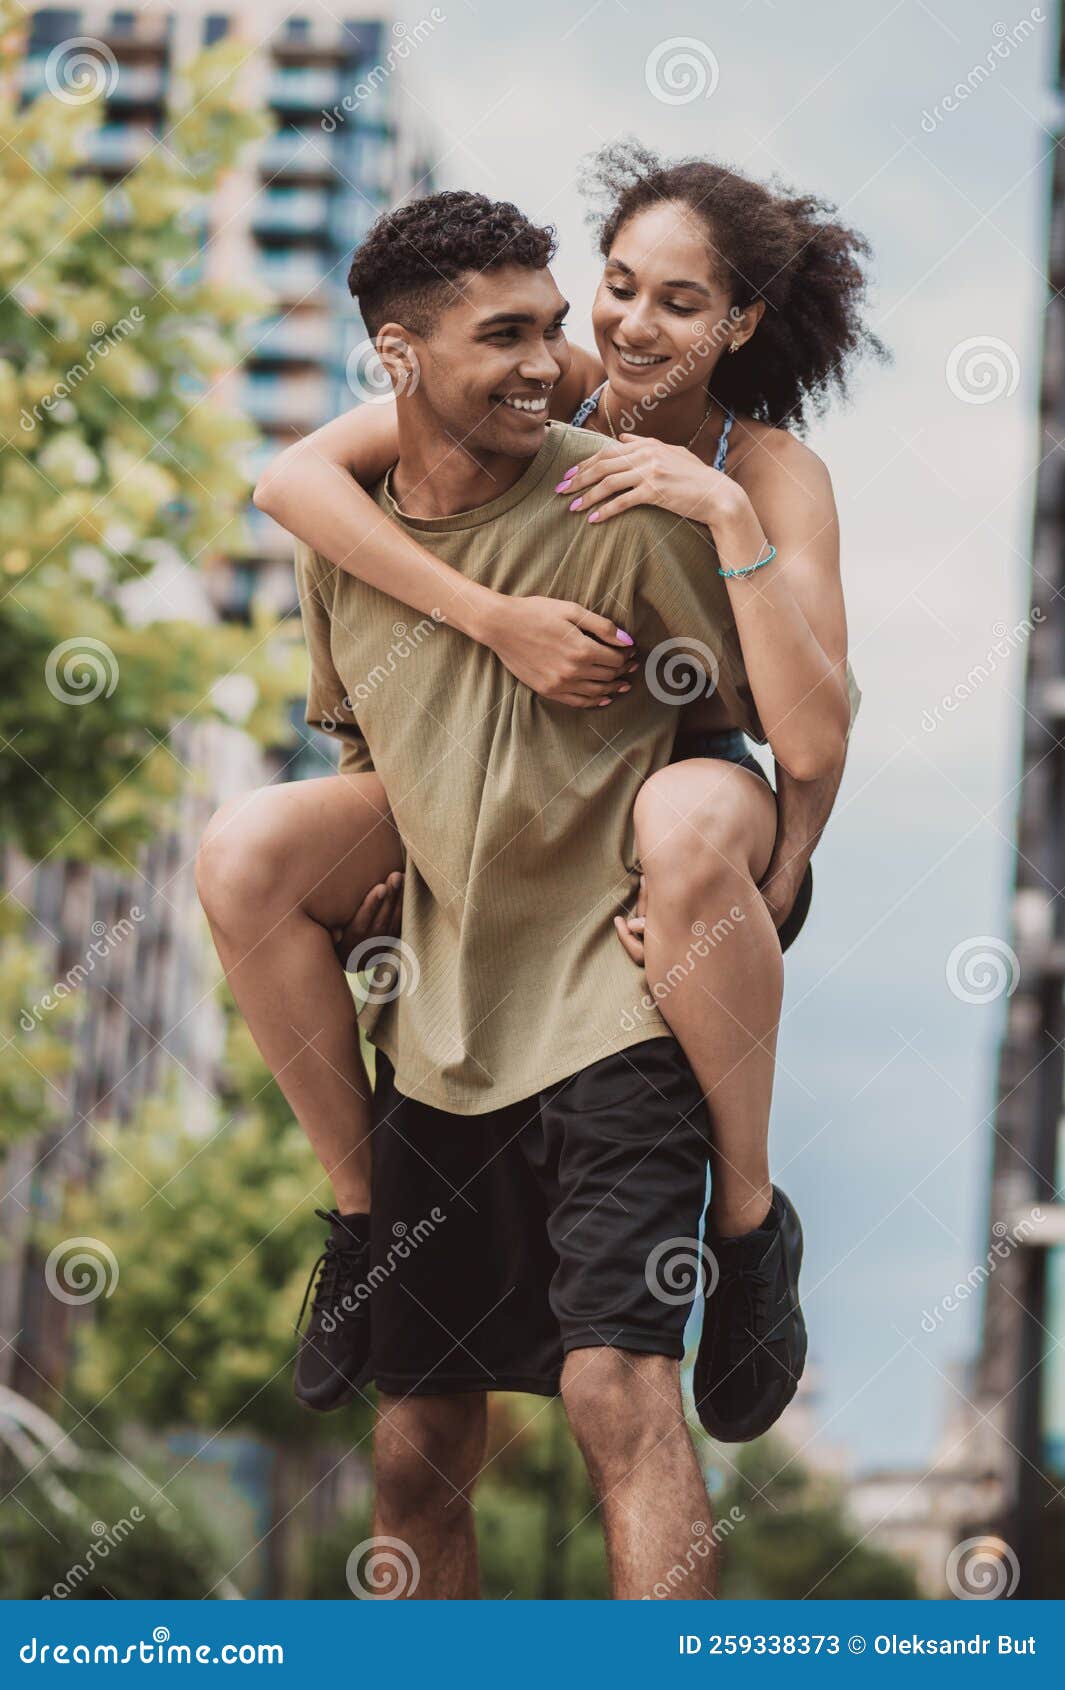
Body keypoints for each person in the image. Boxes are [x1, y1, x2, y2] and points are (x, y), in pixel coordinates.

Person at [198, 186, 847, 1599]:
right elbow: (291, 486)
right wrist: (409, 833)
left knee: (620, 1390)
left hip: (673, 855)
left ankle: (746, 1228)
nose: (598, 339)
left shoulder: (739, 480)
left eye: (672, 302)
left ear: (737, 323)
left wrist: (784, 870)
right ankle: (363, 1220)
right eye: (611, 288)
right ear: (401, 353)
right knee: (415, 1449)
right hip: (459, 979)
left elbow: (809, 734)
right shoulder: (438, 472)